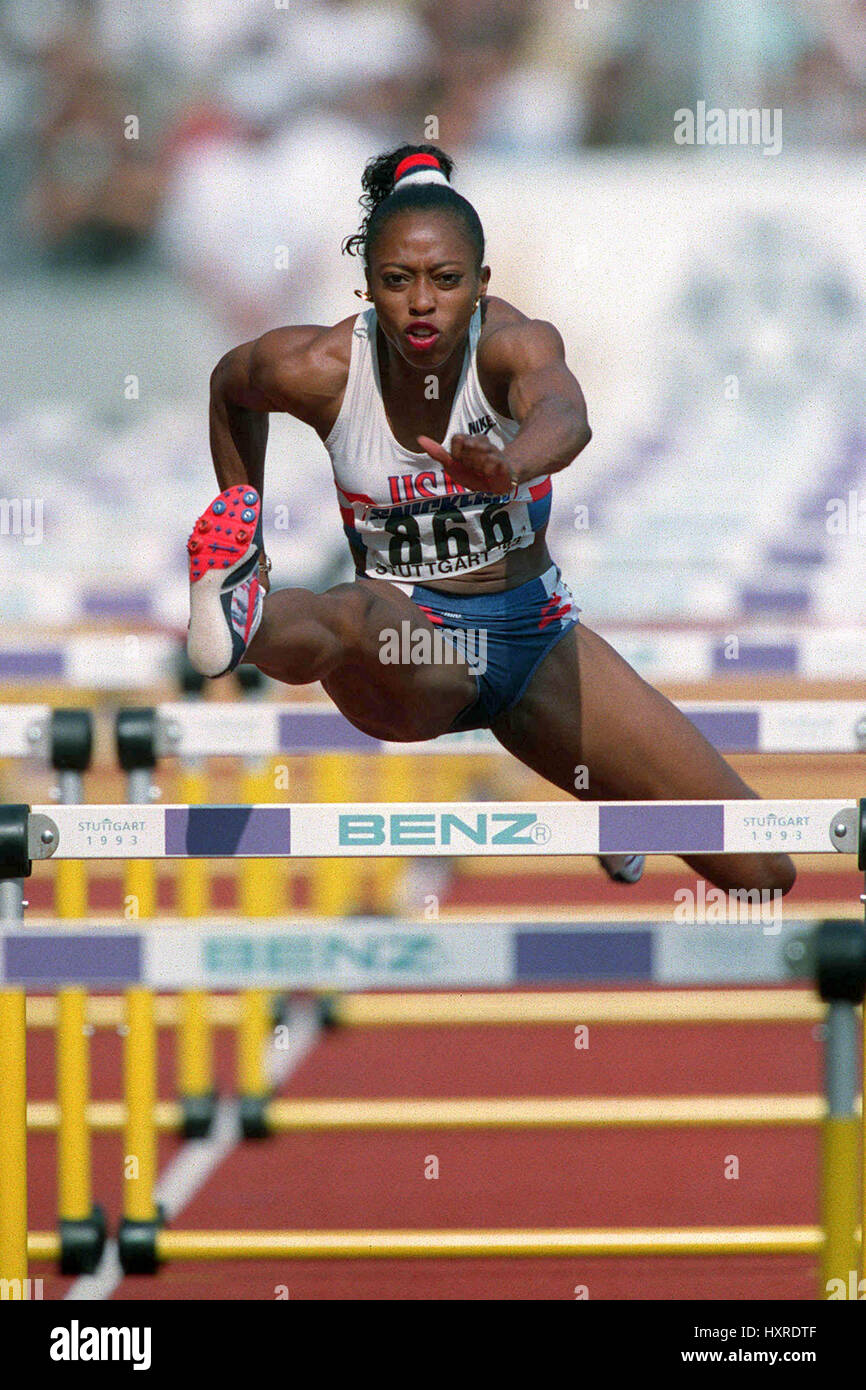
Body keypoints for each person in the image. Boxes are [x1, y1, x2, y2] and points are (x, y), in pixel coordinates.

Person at [187, 143, 795, 896]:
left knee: (763, 870)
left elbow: (567, 416)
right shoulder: (318, 367)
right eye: (396, 281)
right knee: (346, 616)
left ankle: (607, 795)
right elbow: (229, 387)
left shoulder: (512, 344)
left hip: (536, 639)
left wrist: (512, 463)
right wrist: (241, 513)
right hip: (412, 641)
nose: (420, 303)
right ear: (366, 286)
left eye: (445, 282)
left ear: (481, 285)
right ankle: (241, 614)